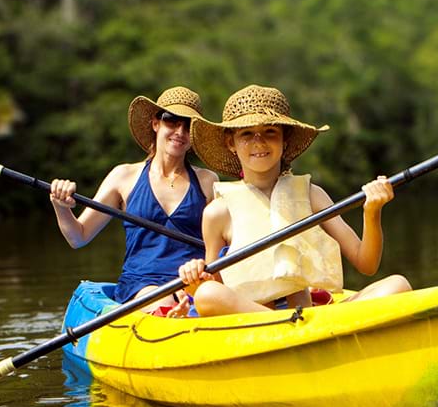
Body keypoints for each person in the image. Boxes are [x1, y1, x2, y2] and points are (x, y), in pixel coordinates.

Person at [175, 85, 411, 317]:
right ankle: (284, 322)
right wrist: (195, 277)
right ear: (231, 143)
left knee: (398, 285)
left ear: (284, 140)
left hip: (309, 315)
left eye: (270, 132)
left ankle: (297, 323)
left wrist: (372, 211)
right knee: (207, 294)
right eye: (246, 133)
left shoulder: (311, 194)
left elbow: (366, 264)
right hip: (256, 320)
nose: (259, 142)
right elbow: (214, 287)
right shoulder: (217, 212)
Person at [48, 86, 219, 308]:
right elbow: (78, 237)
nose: (180, 131)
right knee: (163, 300)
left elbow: (222, 245)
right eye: (172, 121)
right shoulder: (123, 176)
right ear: (155, 123)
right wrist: (61, 206)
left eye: (188, 126)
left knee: (202, 298)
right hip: (142, 285)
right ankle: (167, 315)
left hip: (194, 282)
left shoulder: (208, 181)